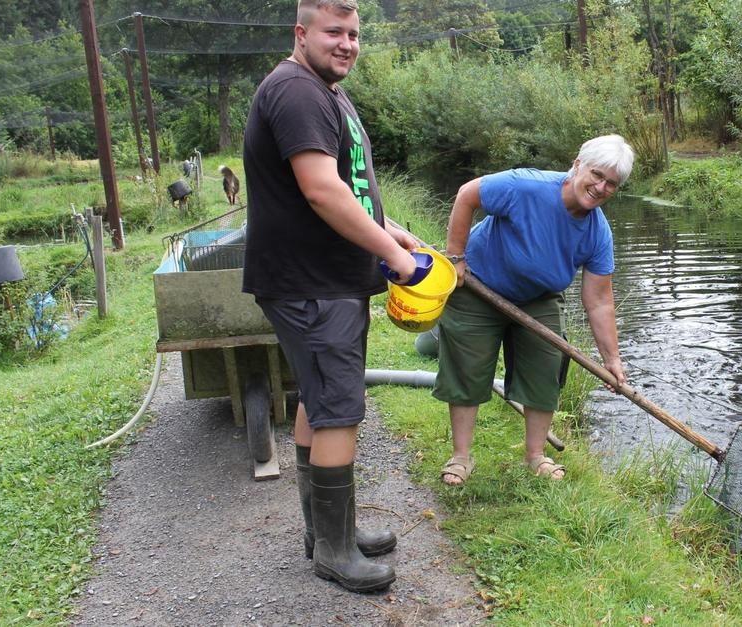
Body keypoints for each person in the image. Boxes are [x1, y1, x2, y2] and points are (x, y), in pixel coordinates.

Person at [241, 0, 420, 594]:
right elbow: (321, 192)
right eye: (333, 32)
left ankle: (326, 530)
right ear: (302, 32)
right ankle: (335, 553)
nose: (346, 43)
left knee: (317, 401)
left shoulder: (326, 91)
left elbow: (350, 186)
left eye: (353, 34)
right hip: (312, 284)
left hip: (323, 278)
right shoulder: (296, 91)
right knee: (339, 408)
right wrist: (395, 260)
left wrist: (390, 231)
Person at [432, 134, 635, 486]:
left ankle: (535, 456)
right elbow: (468, 195)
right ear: (576, 165)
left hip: (539, 296)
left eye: (611, 184)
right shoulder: (525, 186)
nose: (601, 187)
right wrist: (456, 257)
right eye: (597, 175)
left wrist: (612, 359)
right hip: (479, 283)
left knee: (546, 366)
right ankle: (461, 457)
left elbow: (599, 300)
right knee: (468, 367)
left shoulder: (598, 233)